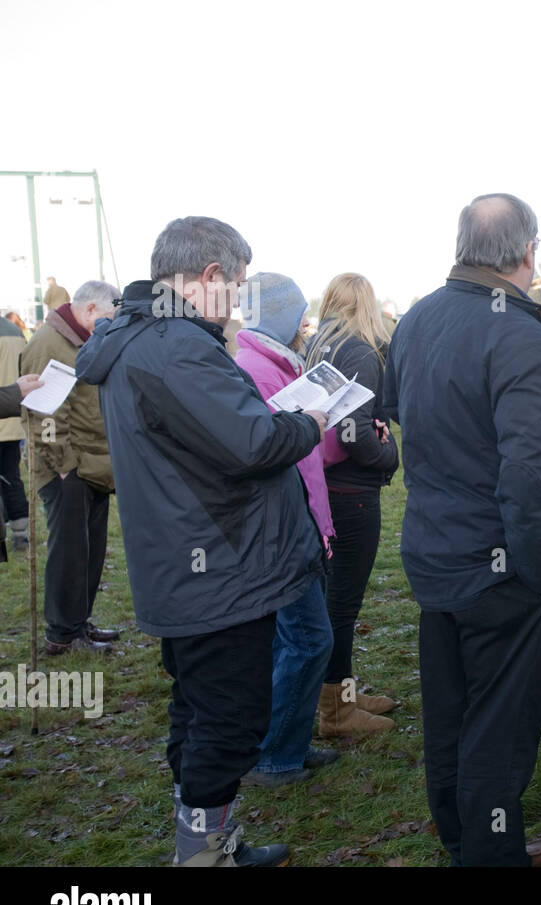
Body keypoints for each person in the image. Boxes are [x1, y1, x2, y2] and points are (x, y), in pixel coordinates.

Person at [77, 216, 328, 867]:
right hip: (219, 567)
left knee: (198, 711)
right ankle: (203, 852)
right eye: (237, 286)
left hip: (188, 561)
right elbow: (254, 442)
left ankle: (206, 838)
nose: (239, 303)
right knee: (228, 717)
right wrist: (308, 420)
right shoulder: (175, 346)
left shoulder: (139, 337)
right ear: (209, 277)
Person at [383, 193, 541, 867]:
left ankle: (472, 840)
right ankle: (488, 851)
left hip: (440, 553)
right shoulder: (519, 337)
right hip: (498, 567)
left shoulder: (418, 319)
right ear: (529, 255)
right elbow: (532, 475)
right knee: (497, 731)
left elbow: (403, 416)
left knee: (454, 716)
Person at [234, 273, 340, 785]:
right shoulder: (256, 369)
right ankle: (275, 754)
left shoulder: (276, 363)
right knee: (308, 640)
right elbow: (276, 452)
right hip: (282, 530)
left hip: (298, 522)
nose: (305, 323)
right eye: (299, 313)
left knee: (293, 639)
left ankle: (286, 744)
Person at [307, 272, 400, 736]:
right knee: (341, 605)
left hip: (325, 486)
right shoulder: (360, 350)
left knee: (332, 600)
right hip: (352, 492)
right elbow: (354, 431)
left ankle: (339, 694)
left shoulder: (320, 344)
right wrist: (388, 456)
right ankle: (336, 713)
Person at [20, 281, 121, 653]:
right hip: (67, 469)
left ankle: (79, 623)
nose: (110, 326)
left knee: (90, 552)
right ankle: (63, 634)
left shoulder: (81, 341)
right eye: (108, 318)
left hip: (91, 466)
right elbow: (42, 414)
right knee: (70, 553)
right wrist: (64, 467)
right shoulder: (48, 344)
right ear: (90, 309)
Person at [1, 315, 32, 554]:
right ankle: (21, 533)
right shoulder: (16, 332)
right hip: (15, 415)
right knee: (12, 476)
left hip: (4, 407)